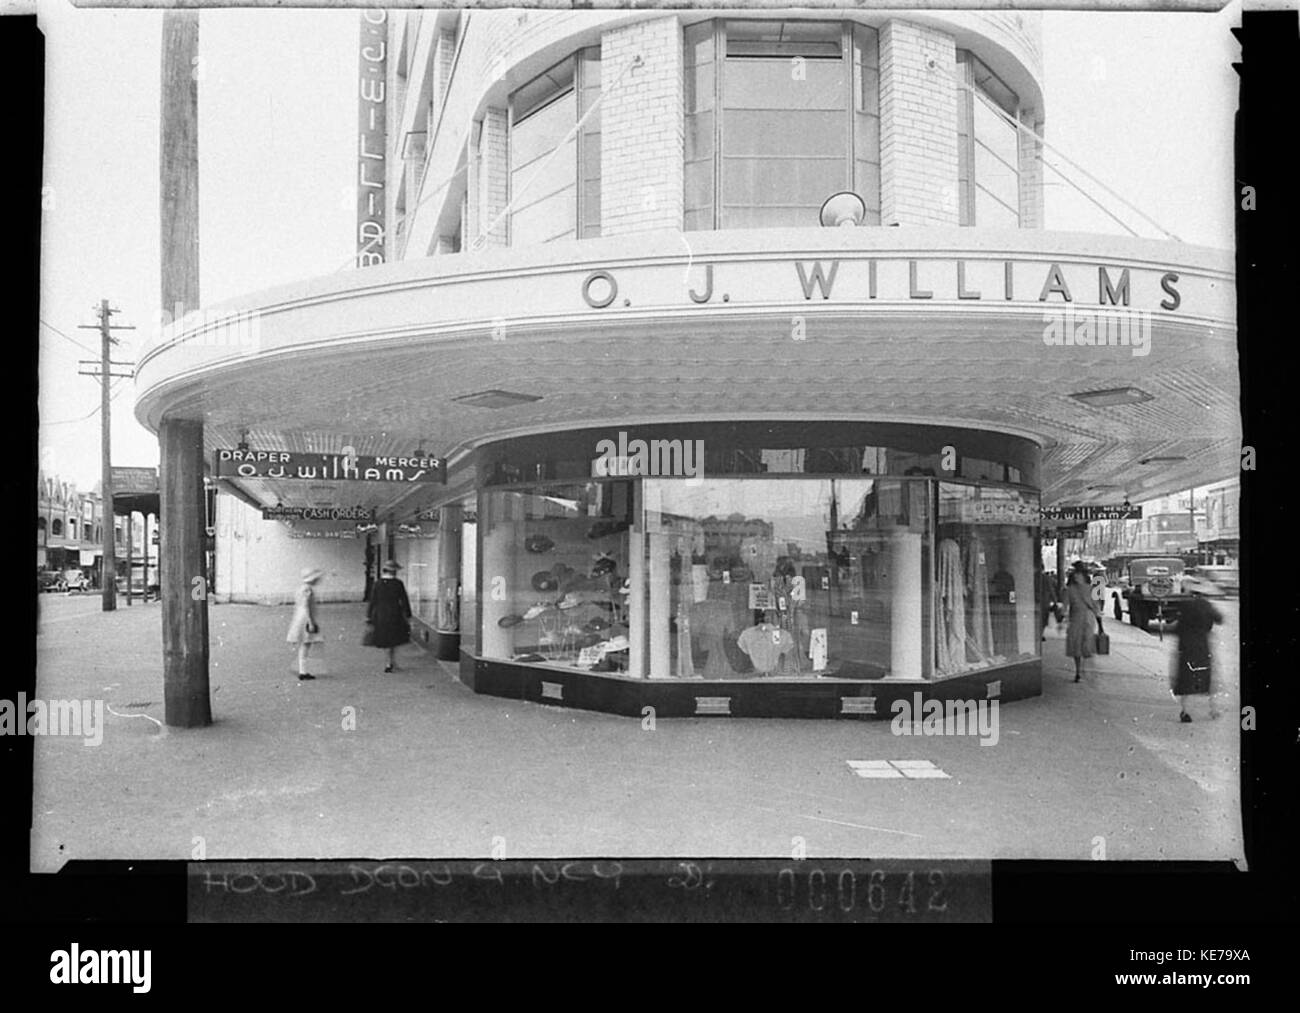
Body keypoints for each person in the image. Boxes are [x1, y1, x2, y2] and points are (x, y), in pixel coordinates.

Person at [1173, 592, 1223, 722]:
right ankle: (1213, 710)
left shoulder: (1185, 606)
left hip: (1186, 647)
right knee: (1206, 678)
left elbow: (1177, 628)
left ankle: (1185, 711)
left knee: (1186, 679)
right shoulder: (1206, 605)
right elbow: (1220, 619)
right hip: (1202, 646)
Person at [367, 559, 412, 673]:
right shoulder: (398, 583)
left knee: (386, 639)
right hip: (395, 614)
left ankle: (389, 662)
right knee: (394, 639)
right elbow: (404, 600)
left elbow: (373, 601)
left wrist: (369, 616)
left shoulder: (378, 583)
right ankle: (391, 662)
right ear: (393, 572)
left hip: (381, 614)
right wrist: (408, 614)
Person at [1063, 561, 1100, 683]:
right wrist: (1063, 616)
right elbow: (1065, 606)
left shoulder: (1091, 589)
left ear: (1084, 576)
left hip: (1088, 619)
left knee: (1085, 645)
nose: (1077, 577)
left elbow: (1096, 607)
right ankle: (1078, 671)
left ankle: (1083, 669)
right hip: (1076, 619)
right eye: (1075, 575)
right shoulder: (1069, 590)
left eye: (1079, 575)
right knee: (1076, 645)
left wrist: (1100, 624)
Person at [286, 567, 325, 681]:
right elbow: (306, 606)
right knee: (306, 643)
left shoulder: (301, 588)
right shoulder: (308, 589)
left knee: (304, 644)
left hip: (300, 616)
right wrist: (311, 622)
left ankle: (302, 669)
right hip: (305, 617)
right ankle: (303, 671)